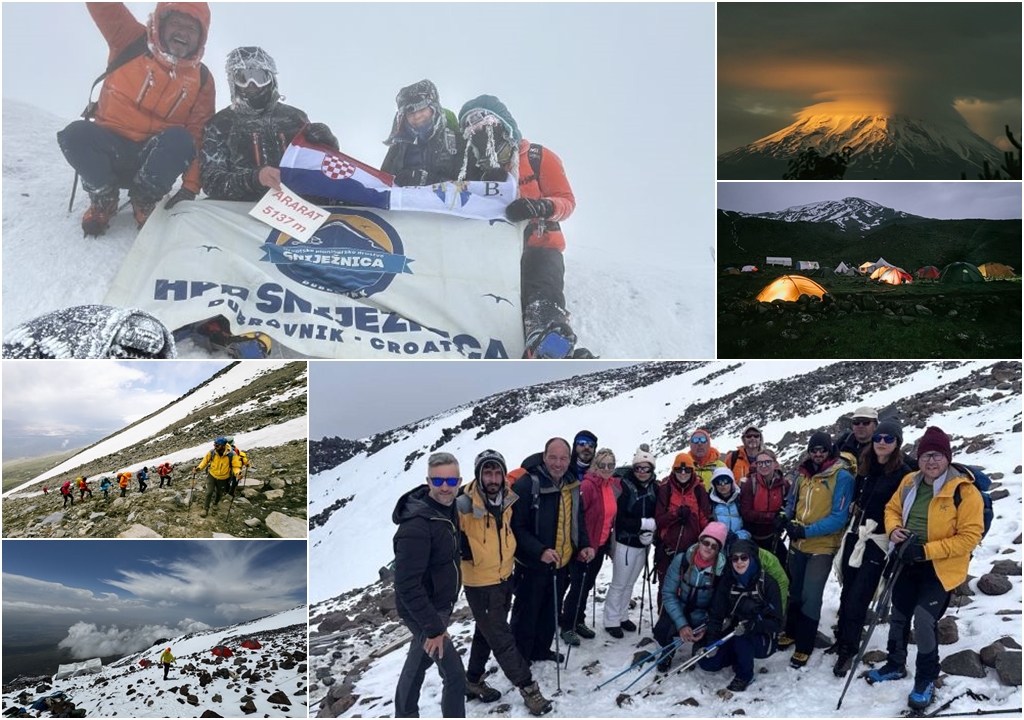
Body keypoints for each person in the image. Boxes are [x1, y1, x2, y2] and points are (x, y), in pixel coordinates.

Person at [57, 2, 215, 235]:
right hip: (109, 149)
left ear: (201, 37)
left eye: (191, 28)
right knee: (75, 135)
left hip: (152, 163)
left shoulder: (201, 78)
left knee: (181, 139)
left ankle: (144, 200)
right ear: (160, 23)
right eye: (176, 23)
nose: (183, 32)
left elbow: (198, 133)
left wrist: (190, 187)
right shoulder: (129, 38)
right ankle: (103, 197)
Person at [457, 96, 581, 359]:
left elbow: (566, 201)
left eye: (485, 122)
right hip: (496, 253)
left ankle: (549, 339)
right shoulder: (475, 172)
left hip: (540, 247)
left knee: (541, 297)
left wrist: (540, 207)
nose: (480, 132)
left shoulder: (537, 157)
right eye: (471, 129)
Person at [873, 427, 984, 711]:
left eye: (936, 455)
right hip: (906, 560)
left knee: (923, 620)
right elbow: (892, 509)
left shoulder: (965, 492)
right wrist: (895, 529)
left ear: (947, 457)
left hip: (939, 568)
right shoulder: (910, 481)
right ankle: (895, 664)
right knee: (898, 614)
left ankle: (925, 677)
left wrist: (924, 550)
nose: (930, 461)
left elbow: (970, 537)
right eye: (924, 455)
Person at [456, 450, 552, 716]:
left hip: (504, 578)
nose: (493, 478)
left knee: (485, 632)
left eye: (497, 472)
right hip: (479, 584)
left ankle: (472, 681)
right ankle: (529, 689)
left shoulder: (508, 499)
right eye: (487, 472)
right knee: (501, 638)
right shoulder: (463, 504)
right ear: (478, 474)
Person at [201, 46, 338, 201]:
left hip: (298, 204)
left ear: (271, 78)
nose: (251, 85)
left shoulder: (294, 117)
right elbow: (211, 182)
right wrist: (255, 179)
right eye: (243, 78)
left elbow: (316, 166)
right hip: (243, 206)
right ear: (233, 82)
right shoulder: (221, 123)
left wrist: (329, 145)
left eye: (259, 77)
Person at [832, 420, 912, 676]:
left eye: (889, 439)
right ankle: (841, 638)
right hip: (857, 534)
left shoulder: (904, 473)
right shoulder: (866, 464)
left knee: (860, 595)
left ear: (897, 442)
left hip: (878, 541)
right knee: (847, 589)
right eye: (879, 438)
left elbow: (904, 508)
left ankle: (848, 648)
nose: (882, 443)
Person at [393, 452, 466, 718]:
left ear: (459, 481)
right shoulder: (416, 526)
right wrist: (434, 629)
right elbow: (406, 585)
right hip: (425, 610)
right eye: (438, 480)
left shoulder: (448, 508)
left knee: (418, 661)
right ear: (428, 481)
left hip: (438, 604)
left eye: (450, 480)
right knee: (456, 676)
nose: (445, 486)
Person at [510, 438, 595, 664]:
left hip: (561, 562)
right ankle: (519, 657)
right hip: (533, 564)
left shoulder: (571, 484)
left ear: (570, 459)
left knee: (550, 611)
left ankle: (541, 649)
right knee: (527, 613)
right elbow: (516, 526)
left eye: (563, 458)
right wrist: (540, 551)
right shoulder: (527, 484)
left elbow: (578, 519)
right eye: (553, 457)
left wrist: (584, 544)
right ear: (544, 456)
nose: (558, 463)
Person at [779, 431, 854, 667]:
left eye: (822, 450)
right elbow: (792, 502)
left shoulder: (842, 477)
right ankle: (790, 631)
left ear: (830, 450)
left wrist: (806, 531)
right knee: (795, 590)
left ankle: (805, 643)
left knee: (811, 594)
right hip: (798, 543)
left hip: (822, 545)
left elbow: (838, 518)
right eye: (814, 450)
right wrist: (785, 517)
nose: (818, 454)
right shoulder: (803, 475)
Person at [699, 538, 784, 691]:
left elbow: (777, 623)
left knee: (742, 638)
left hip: (762, 638)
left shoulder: (767, 583)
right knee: (708, 663)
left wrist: (754, 624)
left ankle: (745, 675)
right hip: (734, 630)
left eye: (744, 557)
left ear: (752, 558)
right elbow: (716, 614)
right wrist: (712, 643)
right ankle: (739, 657)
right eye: (734, 558)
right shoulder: (728, 582)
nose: (739, 562)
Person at [560, 448, 620, 645]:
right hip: (584, 548)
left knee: (587, 586)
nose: (606, 468)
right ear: (595, 465)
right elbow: (577, 518)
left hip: (600, 546)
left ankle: (579, 621)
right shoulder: (588, 485)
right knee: (578, 587)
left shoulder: (610, 486)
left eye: (610, 465)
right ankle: (567, 626)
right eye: (602, 464)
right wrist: (583, 545)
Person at [653, 521, 728, 672]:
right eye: (706, 542)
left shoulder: (722, 571)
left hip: (704, 615)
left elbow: (720, 606)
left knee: (710, 655)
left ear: (718, 550)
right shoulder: (682, 560)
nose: (708, 548)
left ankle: (698, 647)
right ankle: (668, 650)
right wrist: (682, 624)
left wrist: (706, 627)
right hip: (680, 607)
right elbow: (668, 593)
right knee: (661, 630)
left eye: (714, 546)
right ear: (699, 541)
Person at [603, 447, 659, 638]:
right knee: (619, 583)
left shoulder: (655, 488)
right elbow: (619, 519)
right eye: (638, 468)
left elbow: (657, 513)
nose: (642, 472)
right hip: (625, 542)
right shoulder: (625, 487)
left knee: (630, 583)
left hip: (643, 544)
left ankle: (622, 615)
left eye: (646, 469)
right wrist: (643, 524)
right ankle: (611, 620)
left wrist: (651, 533)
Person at [381, 79, 461, 186]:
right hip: (405, 201)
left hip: (446, 201)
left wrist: (427, 180)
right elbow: (382, 182)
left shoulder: (456, 141)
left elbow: (468, 184)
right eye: (410, 112)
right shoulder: (398, 147)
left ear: (434, 108)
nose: (417, 116)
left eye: (422, 109)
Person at [654, 452, 713, 588]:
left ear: (692, 470)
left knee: (688, 587)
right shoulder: (666, 489)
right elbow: (659, 520)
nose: (683, 473)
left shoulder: (699, 490)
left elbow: (704, 519)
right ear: (673, 470)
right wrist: (676, 514)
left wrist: (707, 542)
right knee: (666, 587)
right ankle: (665, 610)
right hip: (668, 549)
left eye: (687, 469)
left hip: (693, 549)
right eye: (678, 469)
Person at [738, 448, 791, 569]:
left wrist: (784, 518)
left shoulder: (784, 485)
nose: (764, 465)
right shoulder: (749, 484)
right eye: (760, 463)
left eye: (767, 462)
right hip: (752, 536)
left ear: (775, 464)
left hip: (774, 536)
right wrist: (771, 517)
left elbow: (789, 506)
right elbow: (746, 512)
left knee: (782, 568)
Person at [194, 437, 241, 518]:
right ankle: (205, 508)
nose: (215, 447)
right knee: (209, 492)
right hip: (212, 475)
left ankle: (215, 503)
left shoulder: (232, 455)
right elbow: (204, 461)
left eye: (217, 446)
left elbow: (235, 466)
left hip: (224, 478)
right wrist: (198, 468)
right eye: (214, 445)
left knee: (219, 493)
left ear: (223, 446)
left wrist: (237, 473)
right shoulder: (212, 452)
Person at [709, 467, 744, 544]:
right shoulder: (710, 503)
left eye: (726, 481)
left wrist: (738, 536)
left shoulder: (740, 500)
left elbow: (748, 526)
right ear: (714, 485)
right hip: (717, 542)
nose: (723, 485)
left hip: (739, 542)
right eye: (718, 482)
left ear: (732, 483)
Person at [838, 406, 879, 471]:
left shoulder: (882, 446)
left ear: (875, 425)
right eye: (856, 422)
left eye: (866, 422)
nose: (860, 426)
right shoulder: (843, 443)